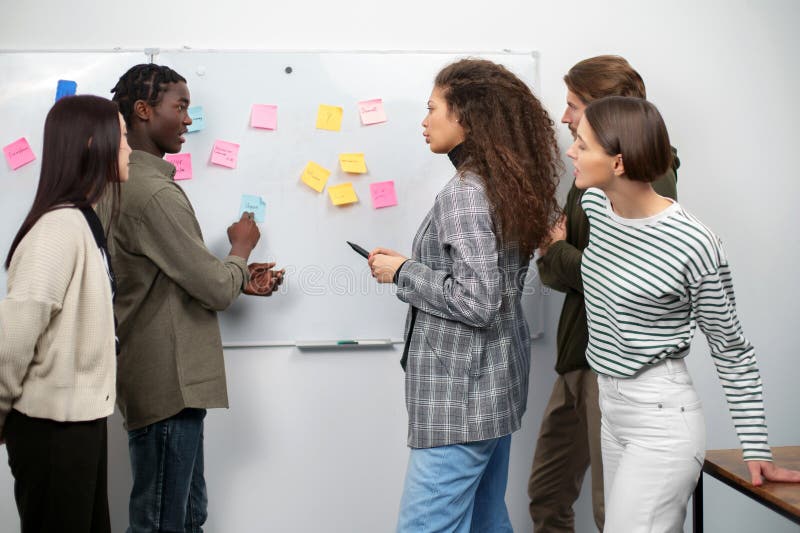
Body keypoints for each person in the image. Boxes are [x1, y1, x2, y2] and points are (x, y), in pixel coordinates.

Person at [568, 95, 800, 531]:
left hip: (661, 419)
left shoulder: (693, 243)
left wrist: (756, 448)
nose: (570, 152)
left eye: (582, 145)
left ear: (617, 162)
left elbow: (731, 348)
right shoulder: (596, 207)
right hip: (610, 407)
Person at [368, 58, 561, 532]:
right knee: (485, 520)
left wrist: (404, 273)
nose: (424, 120)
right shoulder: (503, 185)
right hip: (491, 389)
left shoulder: (467, 193)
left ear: (466, 117)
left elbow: (479, 301)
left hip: (460, 396)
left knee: (426, 525)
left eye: (433, 108)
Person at [102, 64, 283, 533]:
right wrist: (241, 248)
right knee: (164, 521)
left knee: (186, 518)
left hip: (163, 379)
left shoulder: (133, 186)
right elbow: (215, 289)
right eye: (179, 107)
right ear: (143, 111)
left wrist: (238, 276)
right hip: (169, 382)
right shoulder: (154, 194)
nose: (187, 119)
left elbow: (173, 277)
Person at [528, 55, 678, 532]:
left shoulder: (648, 173)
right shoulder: (589, 171)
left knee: (612, 509)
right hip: (578, 354)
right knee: (547, 494)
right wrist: (557, 254)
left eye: (573, 105)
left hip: (616, 361)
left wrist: (556, 251)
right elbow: (568, 267)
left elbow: (613, 273)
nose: (564, 117)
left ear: (603, 112)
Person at [0, 94, 130, 532]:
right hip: (50, 428)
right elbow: (13, 338)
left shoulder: (83, 221)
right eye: (124, 138)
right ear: (96, 144)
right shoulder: (57, 228)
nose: (129, 149)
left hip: (81, 423)